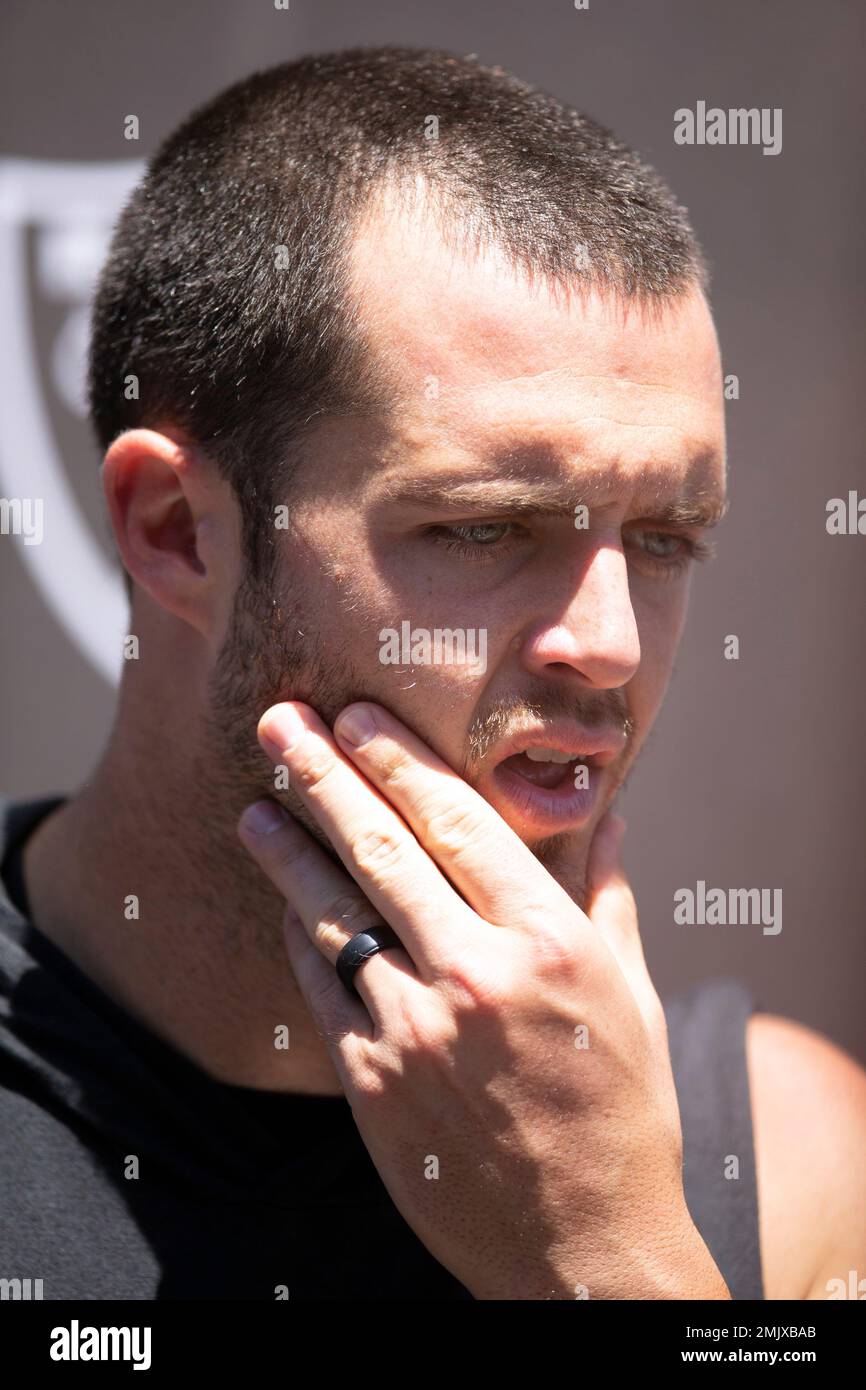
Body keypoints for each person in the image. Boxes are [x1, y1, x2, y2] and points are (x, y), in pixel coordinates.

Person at [1, 47, 864, 1301]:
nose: (609, 643)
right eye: (487, 525)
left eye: (666, 539)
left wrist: (608, 1255)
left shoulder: (794, 1161)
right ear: (176, 530)